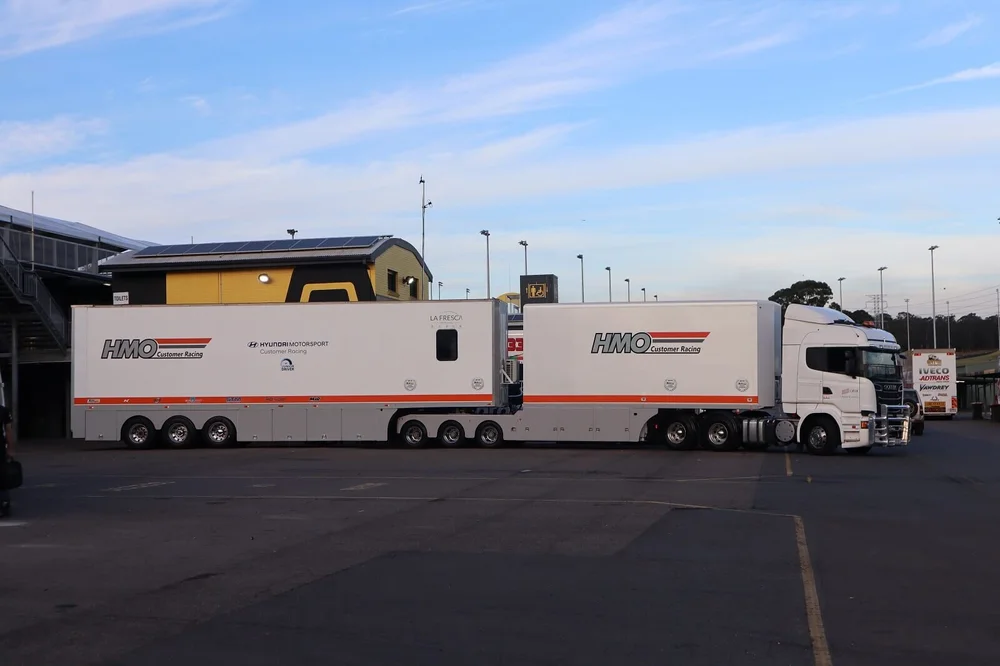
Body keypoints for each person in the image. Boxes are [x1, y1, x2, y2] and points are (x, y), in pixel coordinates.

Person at [0, 403, 13, 518]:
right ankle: (4, 506)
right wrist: (10, 449)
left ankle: (4, 504)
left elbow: (8, 431)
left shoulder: (4, 411)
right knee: (2, 478)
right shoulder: (3, 410)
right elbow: (8, 431)